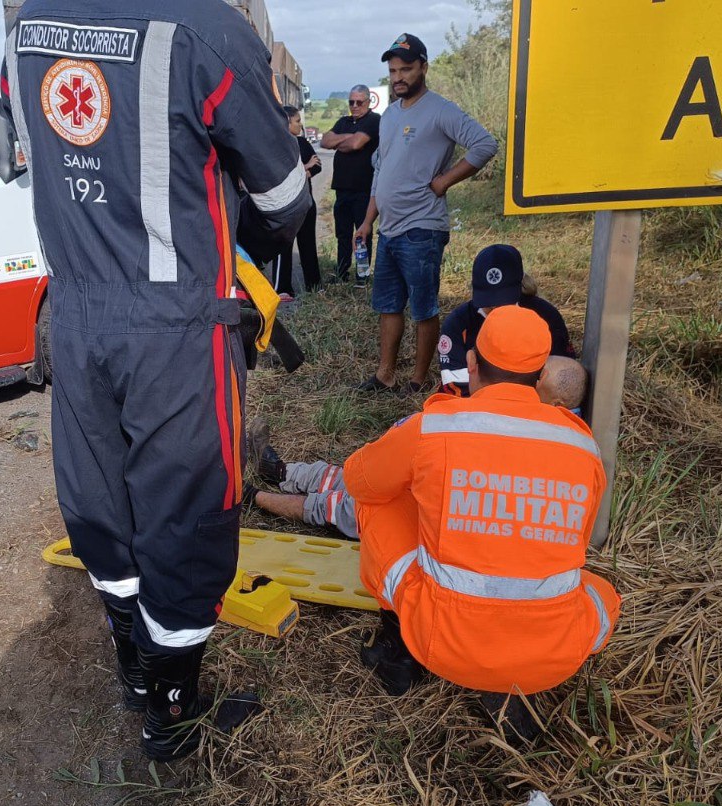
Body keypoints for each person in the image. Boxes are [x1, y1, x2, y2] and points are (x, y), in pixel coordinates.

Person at [4, 0, 311, 762]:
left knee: (101, 502)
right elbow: (285, 204)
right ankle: (171, 716)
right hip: (175, 326)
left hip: (75, 315)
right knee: (188, 514)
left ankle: (134, 674)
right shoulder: (208, 30)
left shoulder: (28, 27)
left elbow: (37, 156)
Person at [344, 306, 621, 740]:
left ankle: (397, 649)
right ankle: (513, 683)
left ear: (471, 362)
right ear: (541, 376)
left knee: (378, 500)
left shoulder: (434, 428)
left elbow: (358, 480)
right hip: (555, 654)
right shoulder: (582, 445)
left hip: (442, 640)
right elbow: (575, 544)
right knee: (601, 591)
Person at [242, 356, 589, 539]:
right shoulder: (568, 441)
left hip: (415, 517)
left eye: (538, 378)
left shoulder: (525, 435)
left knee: (343, 503)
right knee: (345, 478)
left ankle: (253, 496)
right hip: (418, 495)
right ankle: (280, 472)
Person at [354, 34, 498, 396]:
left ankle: (418, 380)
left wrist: (445, 181)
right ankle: (385, 375)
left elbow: (485, 144)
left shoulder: (440, 110)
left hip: (422, 229)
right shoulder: (389, 115)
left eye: (406, 69)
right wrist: (368, 221)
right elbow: (380, 171)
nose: (398, 77)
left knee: (422, 308)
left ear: (424, 68)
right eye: (393, 71)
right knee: (388, 306)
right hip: (388, 229)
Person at [439, 244, 575, 396]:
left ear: (521, 285)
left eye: (504, 302)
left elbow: (563, 379)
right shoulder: (458, 324)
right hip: (477, 406)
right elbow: (455, 387)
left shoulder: (545, 316)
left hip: (532, 405)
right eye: (487, 302)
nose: (495, 308)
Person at [320, 85, 381, 283]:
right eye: (351, 102)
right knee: (343, 235)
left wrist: (344, 141)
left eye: (359, 102)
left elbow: (356, 144)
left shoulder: (374, 120)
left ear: (368, 102)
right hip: (342, 189)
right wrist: (349, 137)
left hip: (364, 189)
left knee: (362, 235)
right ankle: (342, 273)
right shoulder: (343, 121)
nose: (354, 106)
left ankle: (362, 276)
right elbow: (325, 141)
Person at [273, 105, 323, 298]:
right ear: (287, 122)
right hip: (285, 206)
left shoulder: (303, 142)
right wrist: (304, 167)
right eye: (297, 121)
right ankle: (282, 288)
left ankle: (314, 285)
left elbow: (317, 165)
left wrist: (304, 172)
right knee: (283, 246)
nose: (300, 125)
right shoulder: (276, 145)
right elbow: (280, 172)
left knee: (308, 244)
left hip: (306, 203)